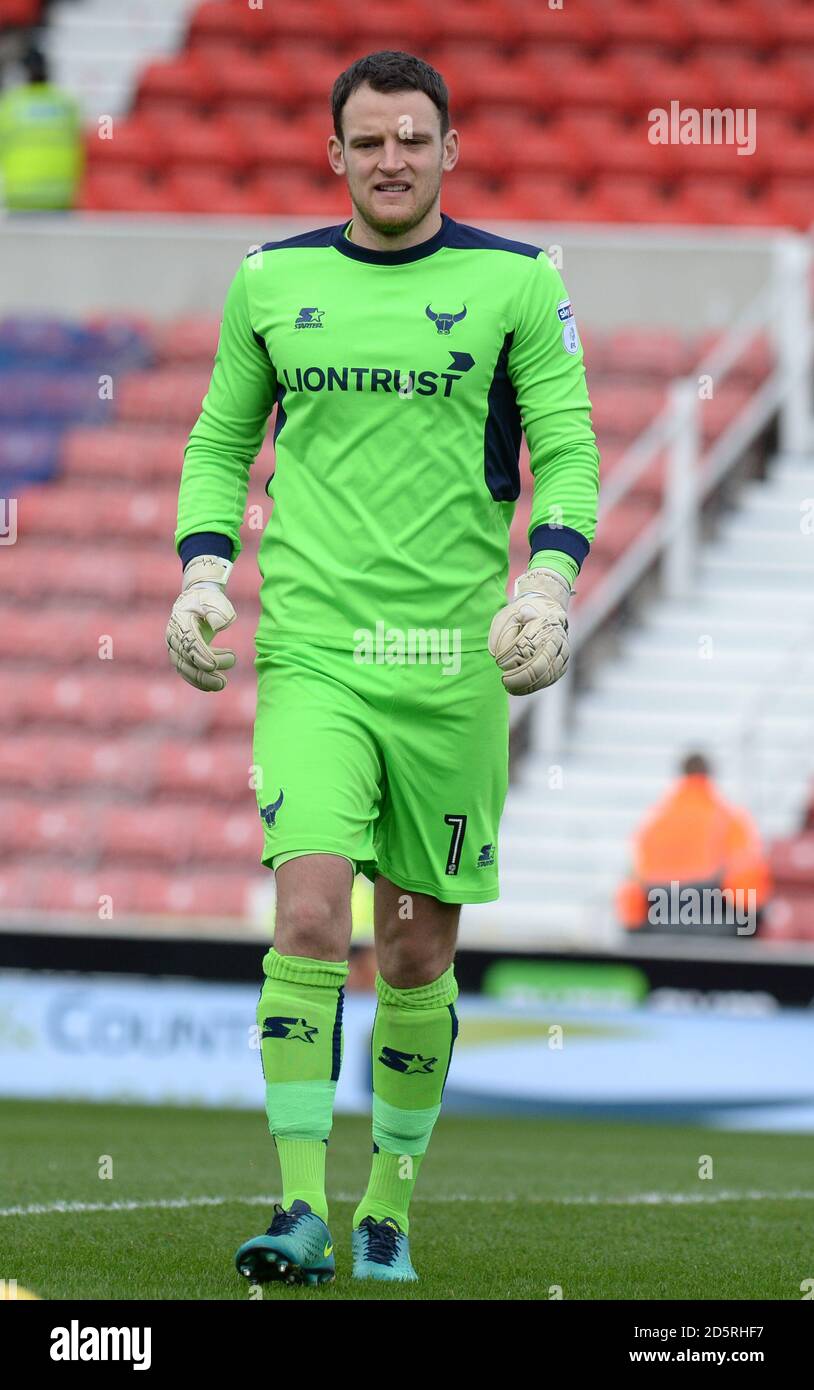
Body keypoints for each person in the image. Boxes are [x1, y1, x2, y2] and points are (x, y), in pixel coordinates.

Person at [167, 50, 599, 1286]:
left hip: (453, 666)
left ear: (449, 150)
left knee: (412, 952)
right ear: (336, 154)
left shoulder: (518, 282)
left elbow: (568, 451)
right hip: (316, 655)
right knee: (308, 911)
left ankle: (386, 1207)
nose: (392, 159)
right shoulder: (270, 278)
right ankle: (298, 1206)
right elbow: (217, 441)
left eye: (414, 138)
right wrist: (204, 571)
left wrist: (547, 582)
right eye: (369, 142)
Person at [616, 753, 771, 935]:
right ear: (709, 775)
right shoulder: (729, 819)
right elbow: (748, 884)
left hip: (657, 924)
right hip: (716, 924)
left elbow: (635, 881)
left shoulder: (654, 822)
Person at [0, 47, 83, 210]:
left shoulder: (10, 105)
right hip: (61, 196)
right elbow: (88, 142)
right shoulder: (68, 105)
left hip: (19, 194)